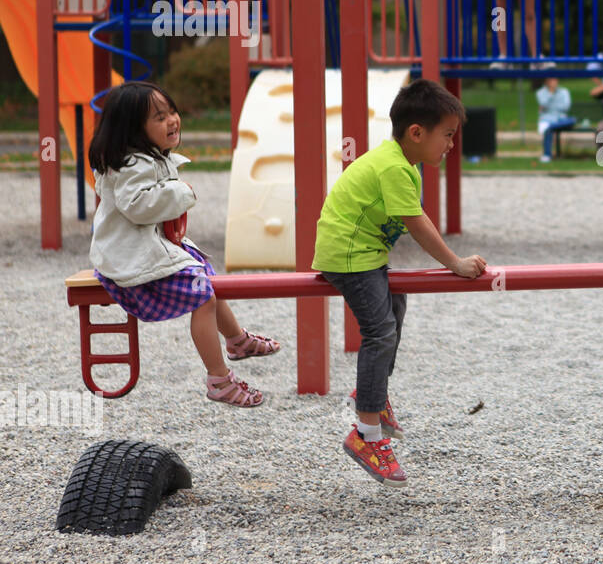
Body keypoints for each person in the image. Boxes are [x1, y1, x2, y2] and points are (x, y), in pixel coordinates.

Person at [313, 79, 487, 484]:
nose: (450, 145)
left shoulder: (402, 164)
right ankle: (366, 435)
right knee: (379, 333)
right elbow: (417, 224)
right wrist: (454, 263)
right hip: (350, 255)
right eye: (446, 136)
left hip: (364, 253)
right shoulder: (393, 166)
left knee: (397, 301)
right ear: (416, 133)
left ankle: (371, 395)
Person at [88, 82, 280, 408]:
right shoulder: (134, 166)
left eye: (172, 112)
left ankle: (237, 341)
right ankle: (219, 379)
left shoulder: (145, 158)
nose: (172, 120)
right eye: (159, 117)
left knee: (204, 274)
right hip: (130, 259)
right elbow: (138, 206)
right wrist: (181, 193)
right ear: (133, 130)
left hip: (143, 249)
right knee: (202, 295)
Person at [536, 75, 576, 163]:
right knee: (548, 129)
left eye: (555, 79)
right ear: (546, 81)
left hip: (561, 120)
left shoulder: (564, 91)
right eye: (551, 80)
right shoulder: (540, 92)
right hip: (547, 120)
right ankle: (547, 155)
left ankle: (546, 154)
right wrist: (551, 93)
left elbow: (566, 107)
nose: (554, 82)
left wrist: (550, 107)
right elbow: (544, 104)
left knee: (573, 120)